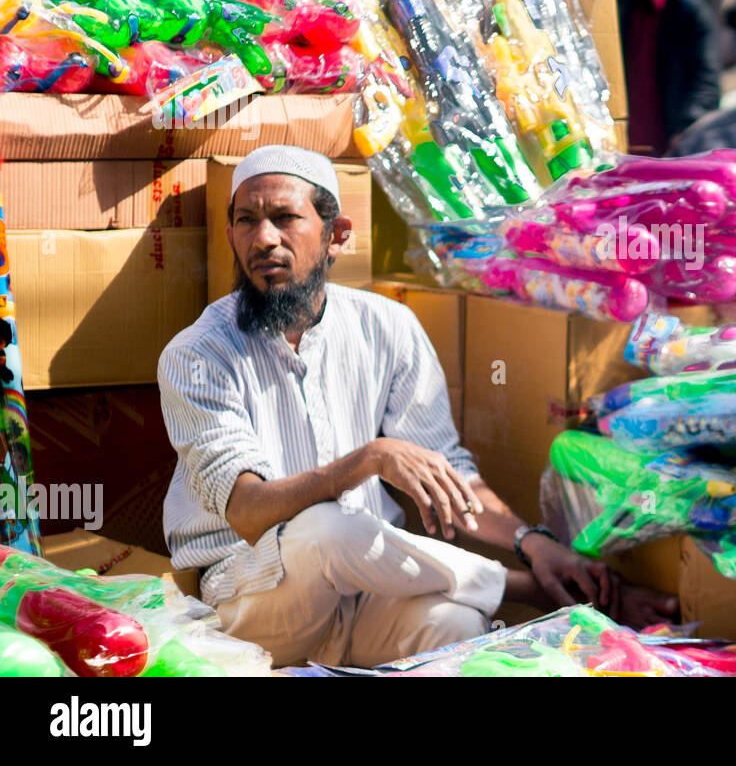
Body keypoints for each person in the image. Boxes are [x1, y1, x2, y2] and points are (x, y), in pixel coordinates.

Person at [158, 145, 675, 668]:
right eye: (246, 221)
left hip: (365, 600)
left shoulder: (388, 328)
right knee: (327, 528)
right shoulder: (198, 354)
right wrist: (369, 460)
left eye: (285, 218)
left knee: (457, 624)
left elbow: (447, 474)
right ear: (230, 238)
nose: (264, 238)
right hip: (254, 604)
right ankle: (538, 596)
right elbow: (247, 512)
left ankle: (524, 587)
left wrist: (531, 541)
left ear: (337, 236)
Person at [618, 0, 720, 155]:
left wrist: (688, 127)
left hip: (673, 141)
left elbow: (707, 79)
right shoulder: (624, 7)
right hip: (628, 143)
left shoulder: (691, 11)